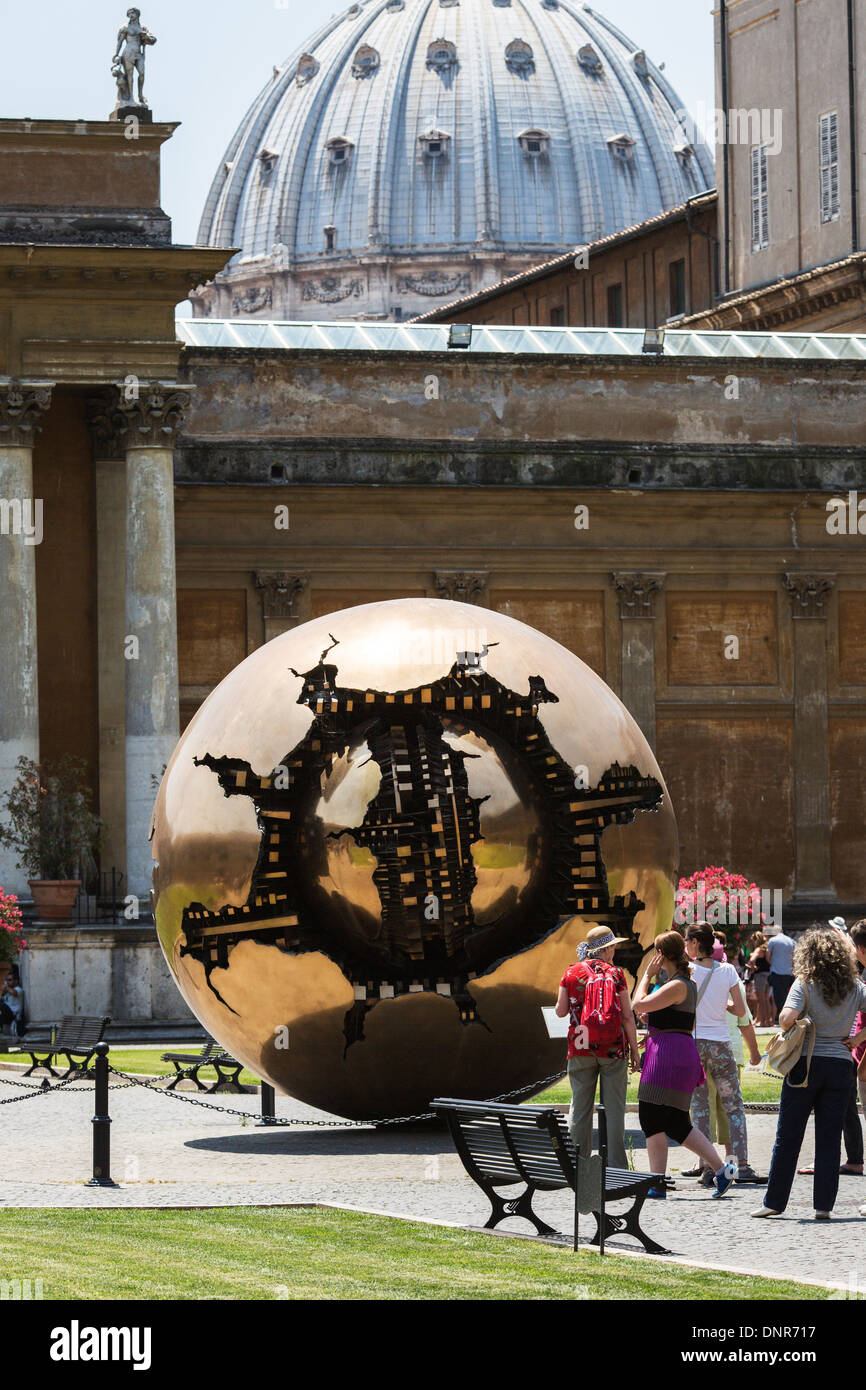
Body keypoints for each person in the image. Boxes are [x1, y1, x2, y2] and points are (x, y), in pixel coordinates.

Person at [753, 928, 866, 1219]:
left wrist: (798, 1018)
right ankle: (823, 1207)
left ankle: (774, 1202)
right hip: (841, 1065)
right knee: (829, 1139)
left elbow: (786, 1019)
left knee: (788, 1135)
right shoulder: (855, 986)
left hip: (806, 1063)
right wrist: (855, 1039)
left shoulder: (805, 983)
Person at [632, 931, 738, 1199]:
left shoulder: (679, 983)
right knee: (677, 1122)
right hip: (676, 1051)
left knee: (651, 1116)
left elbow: (637, 1003)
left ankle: (656, 1183)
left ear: (662, 955)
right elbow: (672, 1019)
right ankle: (721, 1170)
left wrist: (645, 976)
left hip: (668, 1056)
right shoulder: (681, 983)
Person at [555, 926, 641, 1171]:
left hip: (580, 1047)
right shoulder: (616, 974)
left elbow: (561, 1011)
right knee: (614, 1110)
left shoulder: (571, 972)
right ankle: (616, 1166)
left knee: (579, 1107)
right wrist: (634, 1050)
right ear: (607, 948)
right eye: (613, 946)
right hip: (613, 1049)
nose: (615, 950)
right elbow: (627, 1016)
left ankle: (578, 1165)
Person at [685, 921, 761, 1183]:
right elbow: (741, 1012)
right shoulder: (728, 970)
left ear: (695, 943)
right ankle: (743, 1163)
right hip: (721, 1043)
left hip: (696, 1045)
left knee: (700, 1107)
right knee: (734, 1106)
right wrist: (726, 1005)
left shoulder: (688, 971)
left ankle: (708, 1166)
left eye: (687, 941)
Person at [744, 931, 775, 1027]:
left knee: (761, 1000)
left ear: (756, 940)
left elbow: (752, 960)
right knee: (766, 1000)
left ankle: (763, 1022)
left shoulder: (758, 949)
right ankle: (768, 1021)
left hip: (760, 976)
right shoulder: (767, 949)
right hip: (768, 975)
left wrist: (752, 967)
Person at [766, 925, 796, 1018]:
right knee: (787, 996)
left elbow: (768, 956)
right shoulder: (791, 941)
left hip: (776, 972)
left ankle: (781, 1015)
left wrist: (773, 964)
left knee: (777, 997)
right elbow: (795, 957)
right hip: (788, 973)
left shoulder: (773, 940)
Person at [0, 967, 24, 1038]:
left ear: (16, 981)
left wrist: (6, 987)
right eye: (7, 980)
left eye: (10, 980)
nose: (8, 982)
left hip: (14, 1016)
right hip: (6, 1015)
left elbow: (14, 993)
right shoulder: (7, 991)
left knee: (2, 1006)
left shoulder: (18, 989)